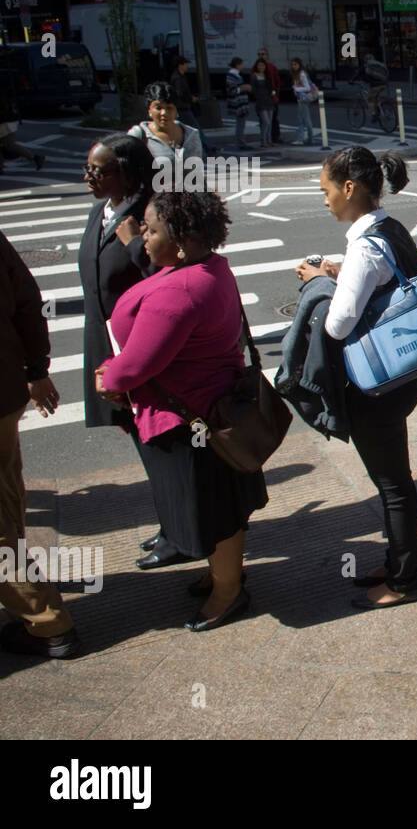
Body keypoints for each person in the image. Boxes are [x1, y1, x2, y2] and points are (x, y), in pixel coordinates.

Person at [96, 189, 268, 632]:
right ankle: (222, 576)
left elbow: (138, 363)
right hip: (206, 412)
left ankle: (228, 592)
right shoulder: (209, 267)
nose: (144, 239)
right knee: (219, 507)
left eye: (151, 231)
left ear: (180, 240)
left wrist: (110, 378)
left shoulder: (182, 290)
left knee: (216, 512)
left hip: (194, 422)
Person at [294, 148, 417, 609]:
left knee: (392, 484)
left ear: (349, 188)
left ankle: (406, 580)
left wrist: (319, 282)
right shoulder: (389, 228)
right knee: (394, 480)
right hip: (401, 371)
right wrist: (340, 271)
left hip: (377, 382)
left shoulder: (366, 244)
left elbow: (338, 324)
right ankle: (396, 562)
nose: (324, 199)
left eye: (326, 190)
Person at [77, 134, 186, 570]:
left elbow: (170, 275)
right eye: (89, 169)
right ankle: (170, 524)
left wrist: (132, 244)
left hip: (141, 347)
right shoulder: (103, 208)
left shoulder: (148, 214)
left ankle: (179, 532)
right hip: (108, 340)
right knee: (137, 436)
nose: (89, 177)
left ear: (126, 172)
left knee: (156, 441)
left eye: (98, 170)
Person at [0, 231, 78, 659]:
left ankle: (47, 621)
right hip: (5, 387)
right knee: (8, 495)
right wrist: (35, 367)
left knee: (3, 513)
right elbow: (27, 299)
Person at [128, 82, 204, 190]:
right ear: (149, 110)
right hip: (151, 203)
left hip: (187, 202)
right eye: (158, 107)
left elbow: (196, 175)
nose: (164, 113)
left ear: (176, 110)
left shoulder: (192, 135)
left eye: (169, 108)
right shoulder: (139, 135)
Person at [0, 70, 45, 174]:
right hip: (7, 118)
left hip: (5, 120)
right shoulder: (6, 79)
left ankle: (35, 158)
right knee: (5, 144)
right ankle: (0, 167)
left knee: (9, 144)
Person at [226, 57, 253, 152]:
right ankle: (240, 142)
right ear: (237, 65)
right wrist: (243, 88)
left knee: (241, 123)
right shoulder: (232, 76)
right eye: (241, 64)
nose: (242, 66)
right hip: (238, 103)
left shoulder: (236, 75)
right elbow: (231, 90)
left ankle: (241, 142)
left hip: (241, 102)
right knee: (240, 123)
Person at [256, 48, 282, 143]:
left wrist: (275, 95)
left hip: (271, 97)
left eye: (263, 54)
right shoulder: (254, 70)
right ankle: (264, 139)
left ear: (267, 56)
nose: (261, 56)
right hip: (262, 99)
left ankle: (274, 138)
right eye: (259, 54)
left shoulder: (272, 67)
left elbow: (277, 82)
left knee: (273, 118)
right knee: (264, 120)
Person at [289, 57, 316, 146]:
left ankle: (304, 139)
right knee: (303, 119)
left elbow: (307, 87)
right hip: (302, 99)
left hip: (304, 99)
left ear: (299, 65)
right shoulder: (298, 74)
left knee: (303, 119)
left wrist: (296, 88)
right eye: (292, 64)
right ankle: (308, 138)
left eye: (295, 64)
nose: (293, 66)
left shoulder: (302, 74)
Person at [249, 59, 275, 148]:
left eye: (263, 65)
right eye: (259, 65)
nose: (261, 67)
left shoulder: (267, 76)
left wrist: (273, 94)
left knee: (270, 122)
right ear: (256, 66)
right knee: (266, 122)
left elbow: (272, 87)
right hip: (260, 101)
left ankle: (269, 140)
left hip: (269, 100)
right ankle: (263, 141)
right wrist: (257, 97)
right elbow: (253, 90)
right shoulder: (254, 76)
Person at [360, 53, 389, 121]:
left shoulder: (367, 65)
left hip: (376, 85)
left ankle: (374, 114)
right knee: (375, 97)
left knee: (370, 99)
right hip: (384, 83)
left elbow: (363, 74)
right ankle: (378, 107)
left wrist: (352, 80)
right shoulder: (380, 64)